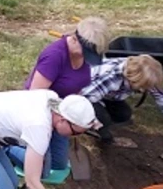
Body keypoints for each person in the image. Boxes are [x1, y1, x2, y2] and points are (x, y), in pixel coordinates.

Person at [22, 16, 109, 175]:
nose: (87, 59)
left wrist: (79, 116)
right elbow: (35, 97)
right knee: (44, 168)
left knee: (59, 165)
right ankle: (8, 149)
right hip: (40, 114)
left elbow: (77, 88)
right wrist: (66, 116)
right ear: (75, 39)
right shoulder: (55, 56)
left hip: (62, 113)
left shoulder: (84, 56)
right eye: (87, 53)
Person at [78, 54, 163, 142]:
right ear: (133, 80)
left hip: (107, 95)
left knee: (123, 115)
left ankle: (104, 119)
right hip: (82, 92)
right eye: (143, 87)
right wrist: (98, 126)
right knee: (103, 121)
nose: (145, 90)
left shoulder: (144, 76)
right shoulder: (113, 77)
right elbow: (83, 99)